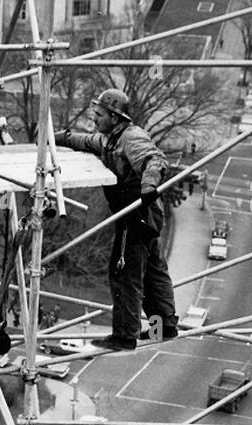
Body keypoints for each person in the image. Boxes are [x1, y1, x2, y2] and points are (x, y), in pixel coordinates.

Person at [56, 89, 178, 352]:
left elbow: (155, 160)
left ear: (114, 116)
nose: (94, 119)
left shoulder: (131, 138)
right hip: (145, 214)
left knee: (123, 273)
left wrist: (148, 184)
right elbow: (85, 140)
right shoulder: (110, 139)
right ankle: (164, 326)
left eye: (99, 115)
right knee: (153, 272)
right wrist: (56, 139)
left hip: (136, 213)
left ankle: (124, 336)